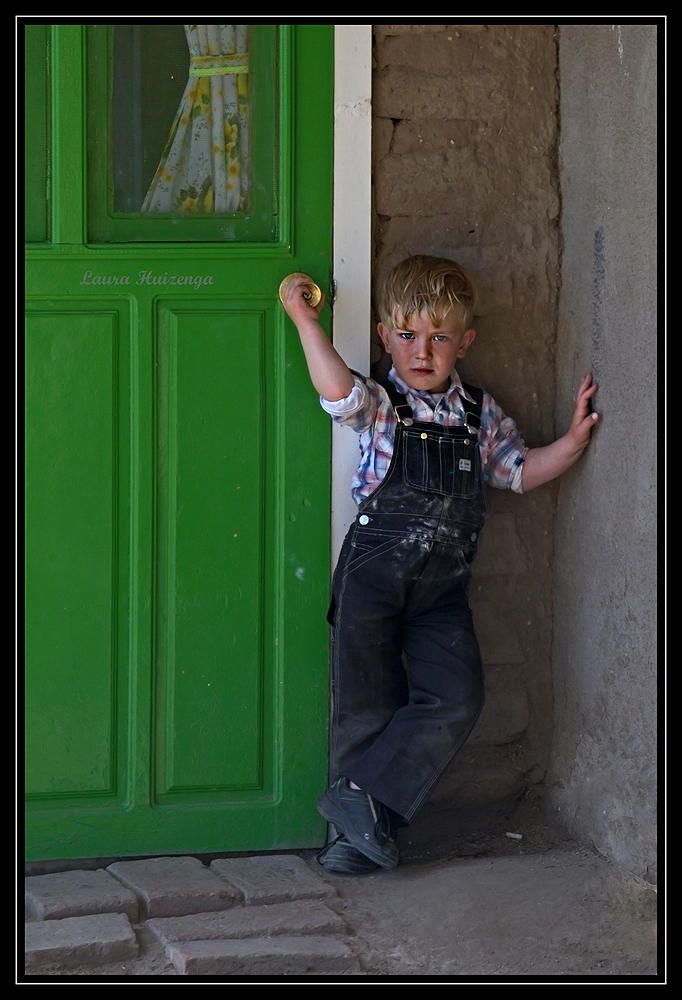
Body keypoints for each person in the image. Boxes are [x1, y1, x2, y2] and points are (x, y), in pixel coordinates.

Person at [281, 255, 599, 874]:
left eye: (438, 338)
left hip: (442, 589)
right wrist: (303, 318)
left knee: (456, 696)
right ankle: (354, 841)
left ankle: (357, 798)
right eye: (406, 337)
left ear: (464, 341)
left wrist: (571, 444)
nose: (421, 352)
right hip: (373, 578)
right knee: (366, 706)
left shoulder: (480, 413)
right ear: (384, 338)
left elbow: (517, 470)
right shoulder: (378, 403)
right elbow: (334, 388)